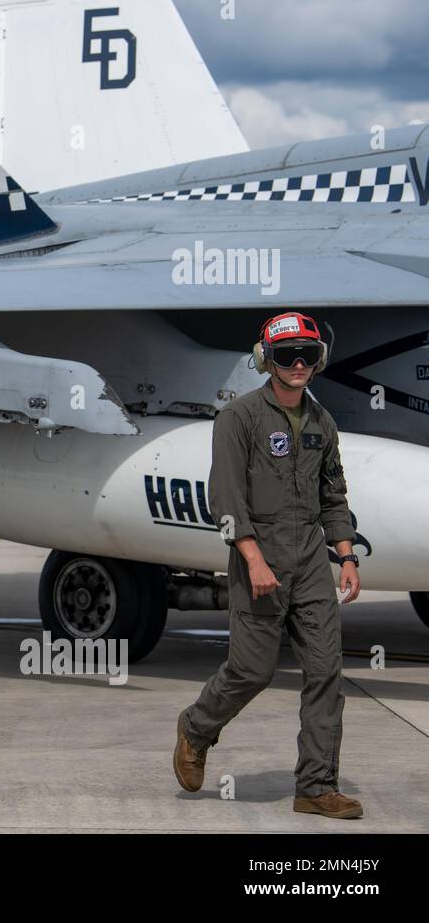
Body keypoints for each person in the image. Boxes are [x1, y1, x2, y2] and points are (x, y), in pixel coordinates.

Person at [174, 312, 363, 818]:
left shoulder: (322, 422)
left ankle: (316, 787)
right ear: (267, 360)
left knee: (326, 673)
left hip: (310, 565)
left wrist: (345, 555)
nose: (298, 364)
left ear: (318, 360)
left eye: (307, 354)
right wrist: (253, 559)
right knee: (252, 671)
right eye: (286, 356)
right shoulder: (239, 418)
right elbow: (227, 497)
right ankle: (196, 728)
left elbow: (333, 493)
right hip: (259, 561)